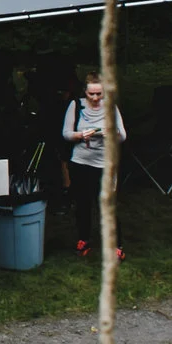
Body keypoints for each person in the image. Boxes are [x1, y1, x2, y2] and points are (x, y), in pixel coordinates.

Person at [62, 75, 124, 258]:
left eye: (99, 94)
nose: (95, 98)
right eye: (91, 94)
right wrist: (81, 135)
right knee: (83, 203)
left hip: (105, 164)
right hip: (81, 162)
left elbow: (122, 136)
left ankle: (115, 245)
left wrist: (110, 133)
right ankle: (84, 239)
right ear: (85, 93)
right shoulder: (76, 106)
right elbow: (66, 134)